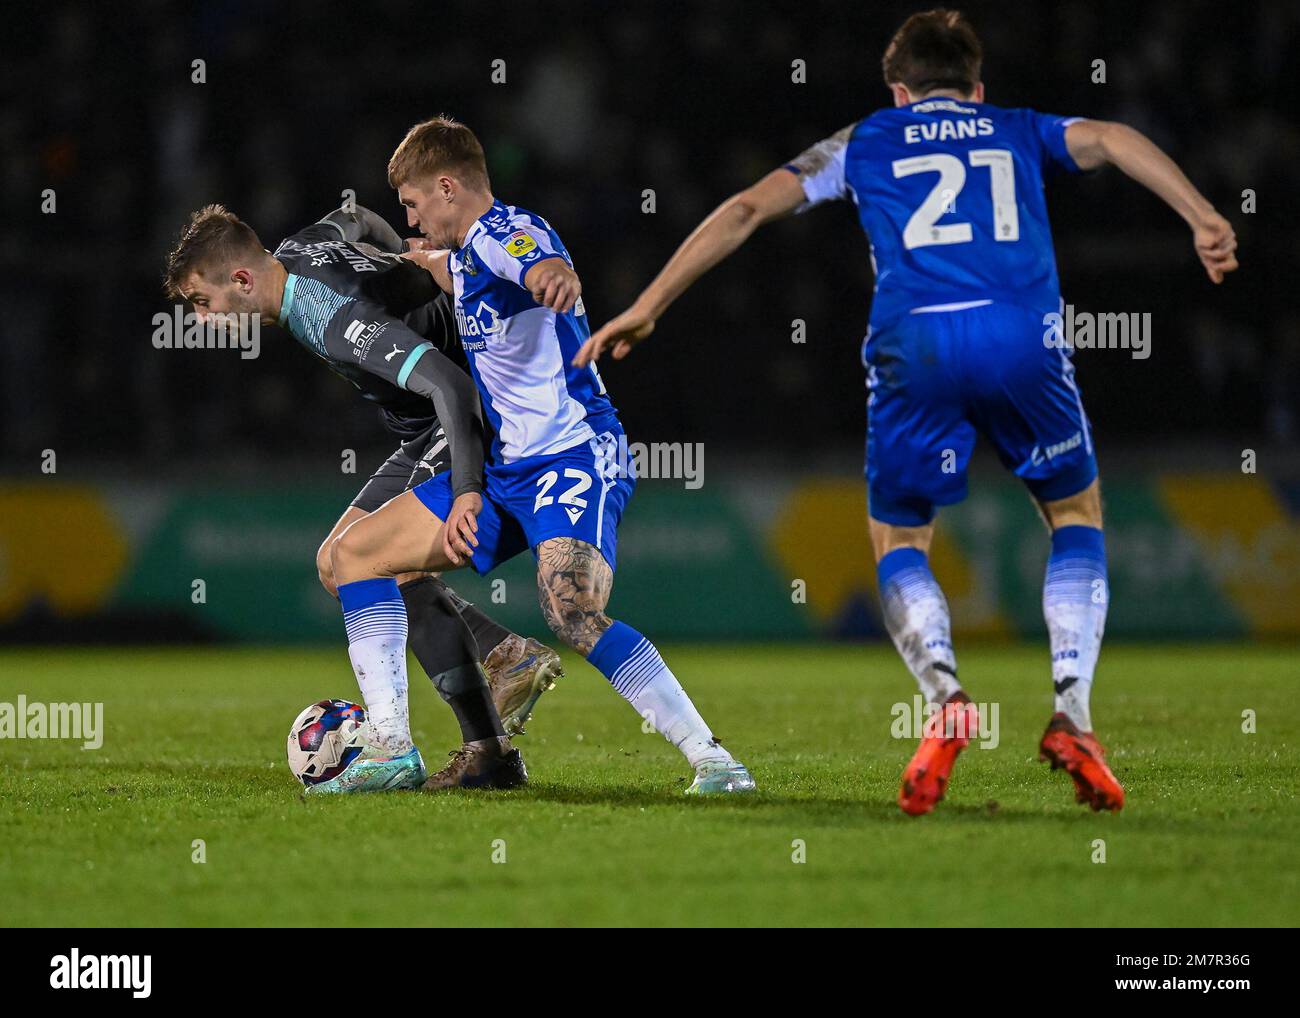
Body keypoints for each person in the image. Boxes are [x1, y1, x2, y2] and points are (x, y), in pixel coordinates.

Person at [576, 8, 1239, 814]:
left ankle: (947, 697)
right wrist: (1201, 213)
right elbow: (1108, 136)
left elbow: (748, 209)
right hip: (1021, 336)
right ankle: (1074, 709)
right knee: (1075, 515)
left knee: (900, 534)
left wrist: (648, 305)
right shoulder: (1018, 126)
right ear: (976, 86)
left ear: (899, 90)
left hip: (913, 344)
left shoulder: (866, 139)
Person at [330, 115, 756, 795]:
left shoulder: (504, 234)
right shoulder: (467, 256)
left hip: (573, 459)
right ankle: (390, 749)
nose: (408, 215)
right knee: (358, 554)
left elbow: (534, 259)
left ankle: (715, 761)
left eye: (412, 202)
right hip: (504, 476)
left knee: (573, 614)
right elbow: (466, 274)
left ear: (446, 186)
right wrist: (426, 264)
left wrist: (552, 273)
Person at [163, 202, 548, 791]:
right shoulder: (298, 246)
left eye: (201, 303)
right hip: (426, 427)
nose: (202, 319)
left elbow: (451, 384)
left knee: (370, 560)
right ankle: (498, 671)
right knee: (335, 561)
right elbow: (357, 217)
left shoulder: (330, 317)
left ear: (241, 280)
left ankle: (424, 745)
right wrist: (404, 263)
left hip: (471, 413)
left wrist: (468, 489)